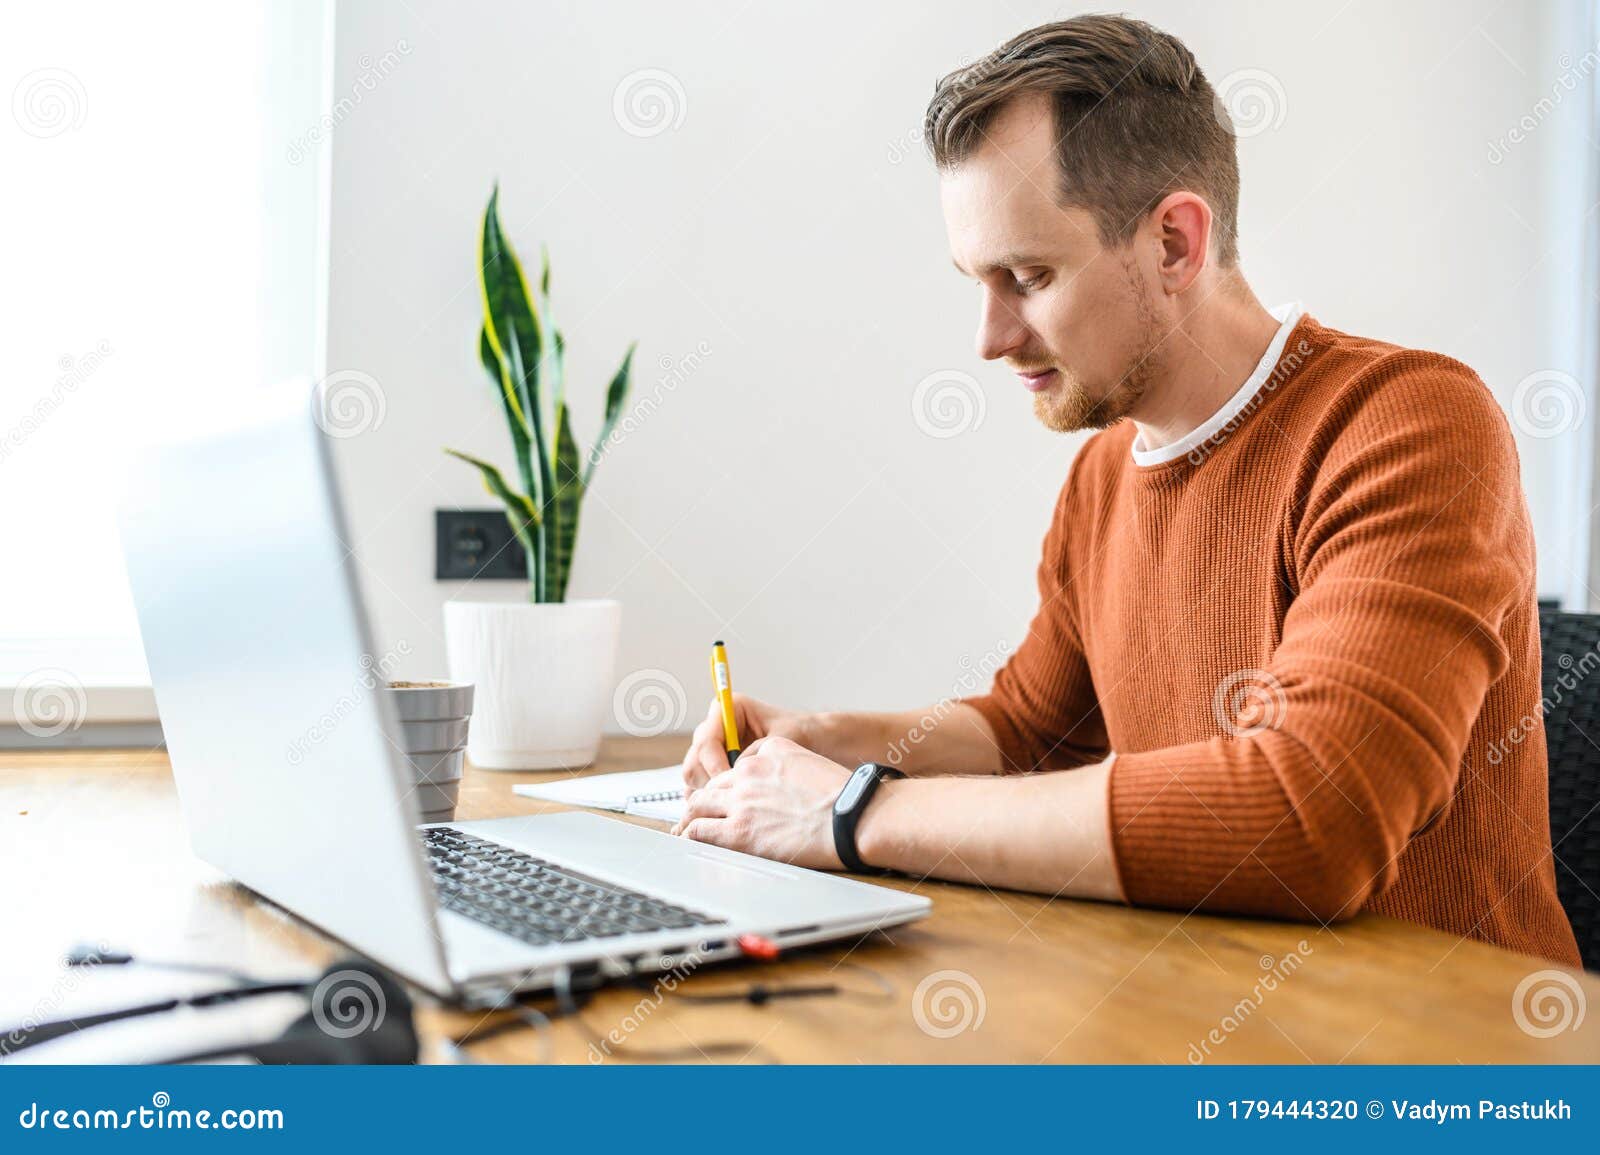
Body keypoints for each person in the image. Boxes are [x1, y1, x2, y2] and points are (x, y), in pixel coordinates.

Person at [674, 14, 1580, 966]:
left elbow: (1317, 816)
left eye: (1027, 276)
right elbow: (1033, 731)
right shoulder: (1106, 474)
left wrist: (856, 810)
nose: (987, 338)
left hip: (1436, 1068)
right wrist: (821, 740)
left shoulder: (1411, 424)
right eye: (976, 281)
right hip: (1195, 1017)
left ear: (1175, 245)